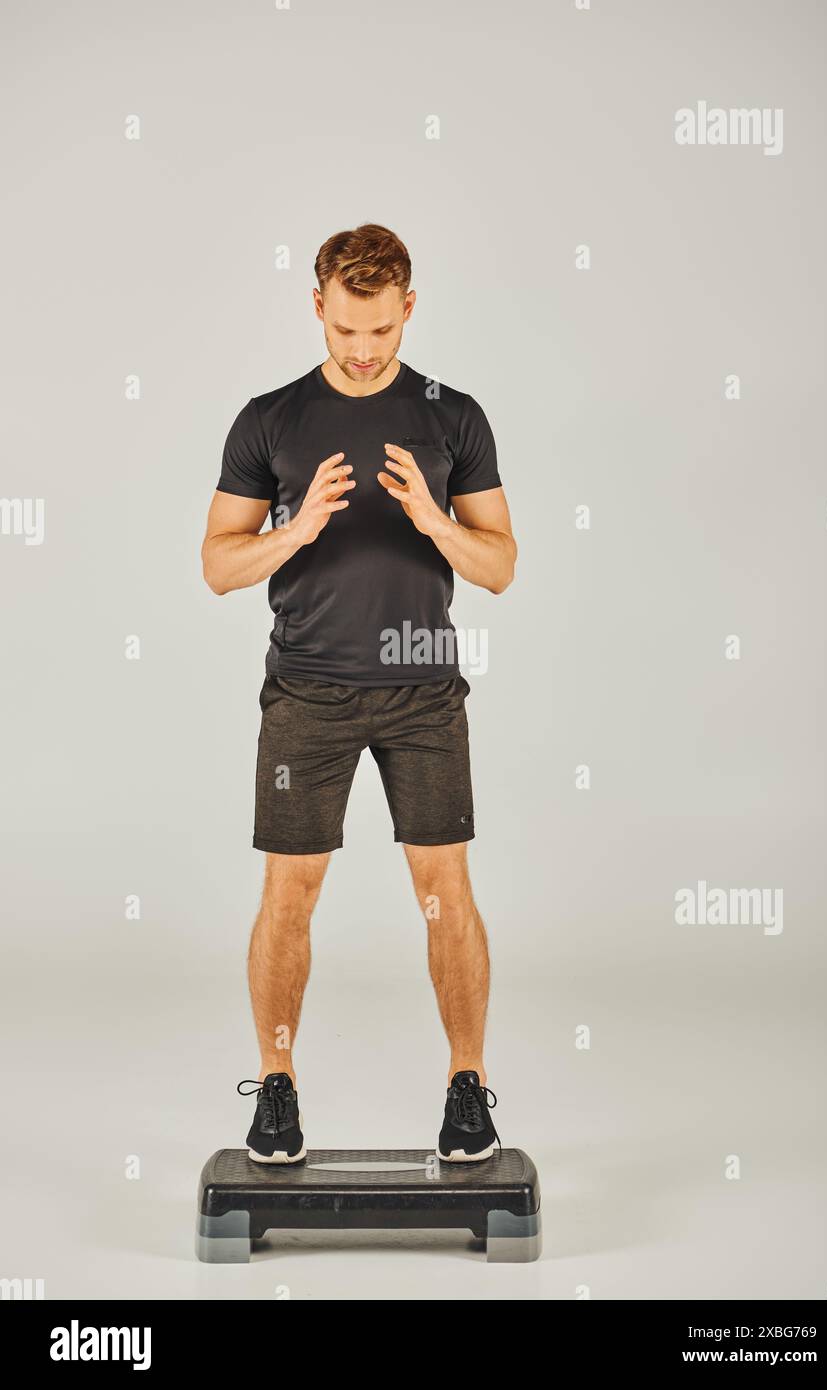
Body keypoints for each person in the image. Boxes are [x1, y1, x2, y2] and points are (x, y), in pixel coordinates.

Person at [202, 223, 516, 1163]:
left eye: (379, 329)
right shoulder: (270, 419)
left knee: (444, 889)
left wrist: (432, 518)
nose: (362, 349)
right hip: (309, 692)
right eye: (345, 329)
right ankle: (277, 1090)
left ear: (407, 309)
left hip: (423, 688)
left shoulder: (453, 417)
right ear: (318, 309)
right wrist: (292, 536)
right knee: (288, 894)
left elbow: (499, 565)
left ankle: (468, 1087)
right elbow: (218, 566)